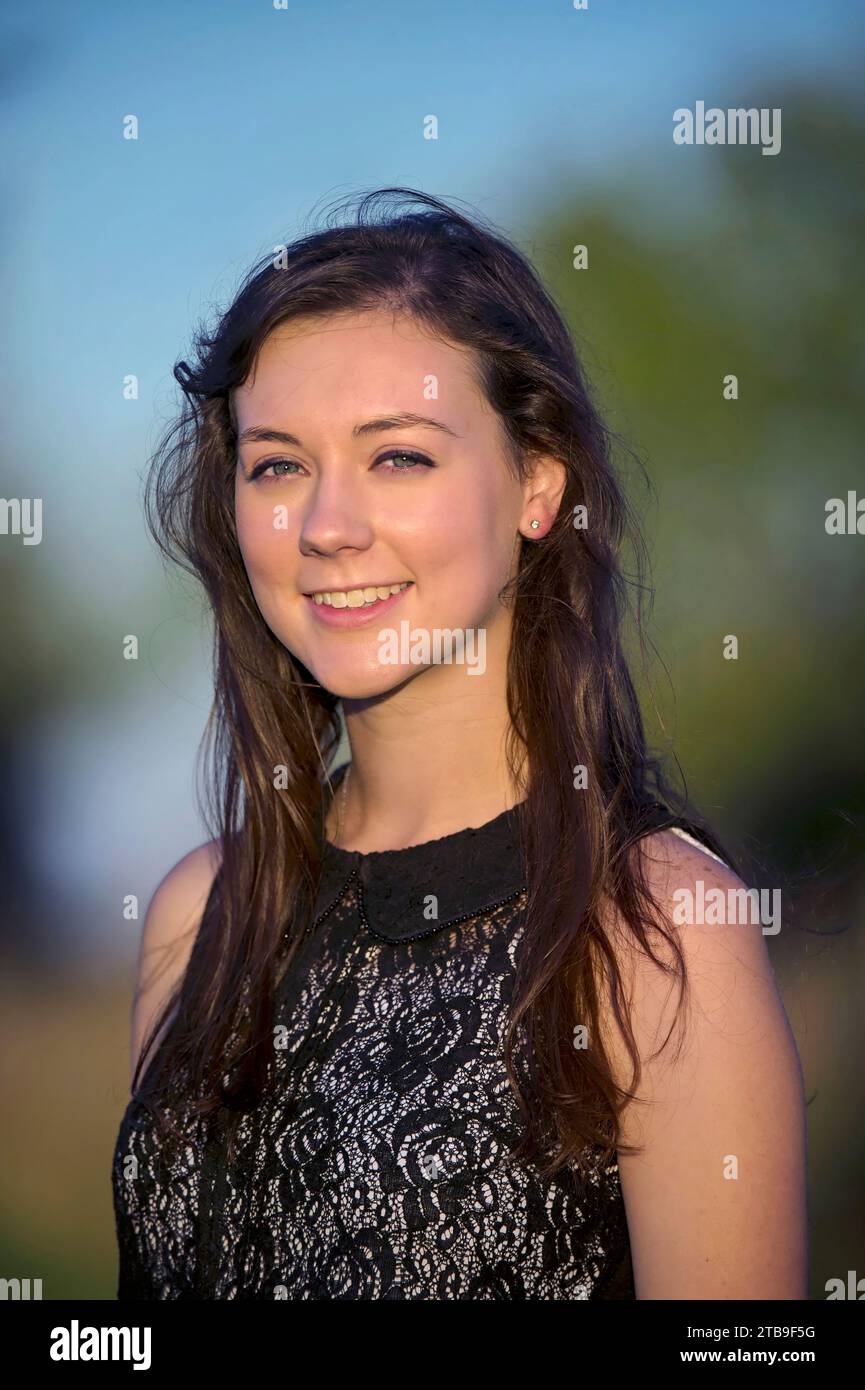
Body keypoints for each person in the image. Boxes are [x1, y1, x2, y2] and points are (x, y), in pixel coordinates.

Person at [112, 187, 808, 1300]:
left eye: (398, 456)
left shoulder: (654, 927)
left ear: (537, 484)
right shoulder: (202, 912)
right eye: (278, 464)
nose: (329, 525)